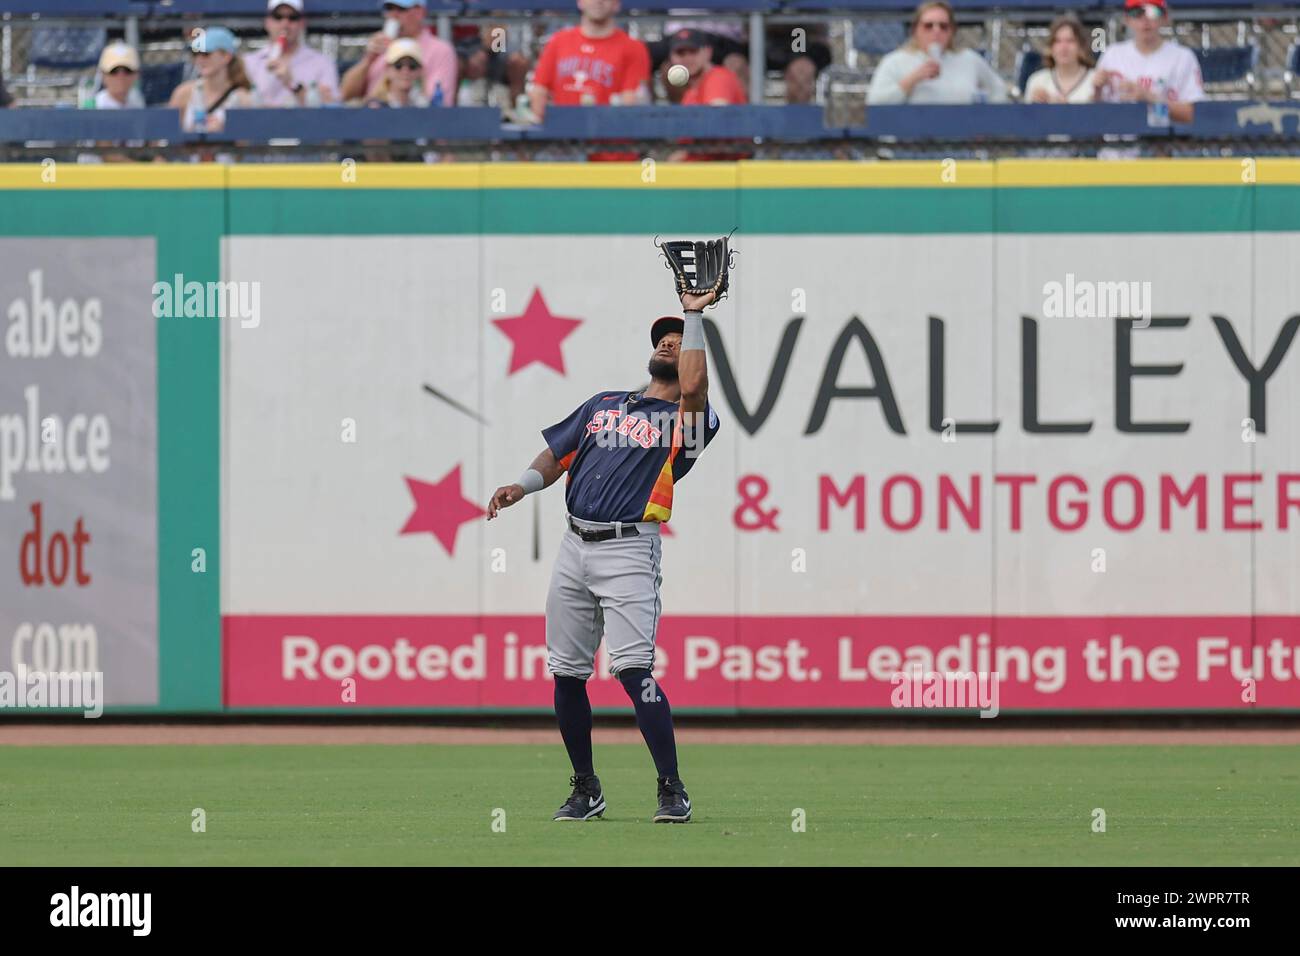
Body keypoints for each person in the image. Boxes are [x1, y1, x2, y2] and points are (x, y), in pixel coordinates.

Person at [485, 288, 723, 825]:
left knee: (634, 671)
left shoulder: (689, 423)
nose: (668, 345)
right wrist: (522, 485)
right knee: (567, 673)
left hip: (629, 549)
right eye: (662, 339)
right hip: (574, 545)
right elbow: (556, 454)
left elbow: (694, 388)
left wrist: (693, 314)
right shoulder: (605, 404)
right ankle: (586, 788)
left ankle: (671, 788)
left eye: (678, 342)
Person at [527, 0, 651, 122]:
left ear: (617, 4)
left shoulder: (634, 48)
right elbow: (539, 91)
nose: (599, 1)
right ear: (580, 2)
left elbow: (630, 103)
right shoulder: (558, 41)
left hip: (609, 135)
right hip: (562, 133)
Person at [867, 0, 1008, 105]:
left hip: (961, 140)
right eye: (928, 26)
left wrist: (986, 125)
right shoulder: (895, 61)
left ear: (952, 31)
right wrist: (911, 80)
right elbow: (874, 102)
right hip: (910, 141)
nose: (936, 31)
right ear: (915, 30)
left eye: (943, 26)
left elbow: (998, 90)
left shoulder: (968, 59)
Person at [1094, 0, 1203, 123]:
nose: (1145, 20)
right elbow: (1094, 113)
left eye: (1153, 12)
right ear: (1126, 19)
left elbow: (1194, 115)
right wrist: (1096, 91)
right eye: (1137, 12)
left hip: (1164, 138)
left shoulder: (1182, 57)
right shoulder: (1112, 54)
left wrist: (1151, 99)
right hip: (1118, 137)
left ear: (1164, 17)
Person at [340, 1, 457, 107]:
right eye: (389, 9)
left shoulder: (440, 50)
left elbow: (436, 106)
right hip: (374, 122)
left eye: (401, 9)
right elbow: (345, 94)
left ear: (420, 12)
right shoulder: (379, 48)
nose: (393, 15)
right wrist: (368, 59)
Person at [244, 0, 340, 107]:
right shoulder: (248, 62)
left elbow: (332, 109)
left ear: (302, 23)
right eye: (278, 17)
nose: (285, 24)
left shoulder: (322, 63)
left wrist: (292, 84)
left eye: (293, 17)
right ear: (267, 22)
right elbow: (237, 103)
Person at [169, 26, 256, 132]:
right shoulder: (183, 93)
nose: (199, 59)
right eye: (195, 53)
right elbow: (169, 135)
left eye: (206, 53)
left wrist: (225, 130)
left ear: (226, 56)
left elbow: (248, 141)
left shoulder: (243, 98)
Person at [1023, 15, 1096, 104]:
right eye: (1057, 41)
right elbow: (1026, 117)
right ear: (1050, 48)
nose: (1063, 47)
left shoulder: (1095, 79)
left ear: (1081, 46)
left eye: (1070, 40)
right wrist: (1036, 105)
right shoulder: (1037, 81)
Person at [667, 28, 746, 105]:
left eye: (693, 51)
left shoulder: (718, 77)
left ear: (708, 52)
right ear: (671, 56)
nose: (687, 58)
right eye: (681, 53)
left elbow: (716, 114)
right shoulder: (690, 92)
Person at [363, 37, 427, 107]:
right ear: (387, 69)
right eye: (398, 65)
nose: (405, 71)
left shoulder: (424, 104)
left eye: (412, 66)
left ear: (420, 70)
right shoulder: (375, 106)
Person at [95, 42, 145, 109]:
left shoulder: (137, 101)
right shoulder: (93, 106)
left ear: (136, 75)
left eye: (127, 70)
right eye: (113, 71)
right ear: (103, 75)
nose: (121, 76)